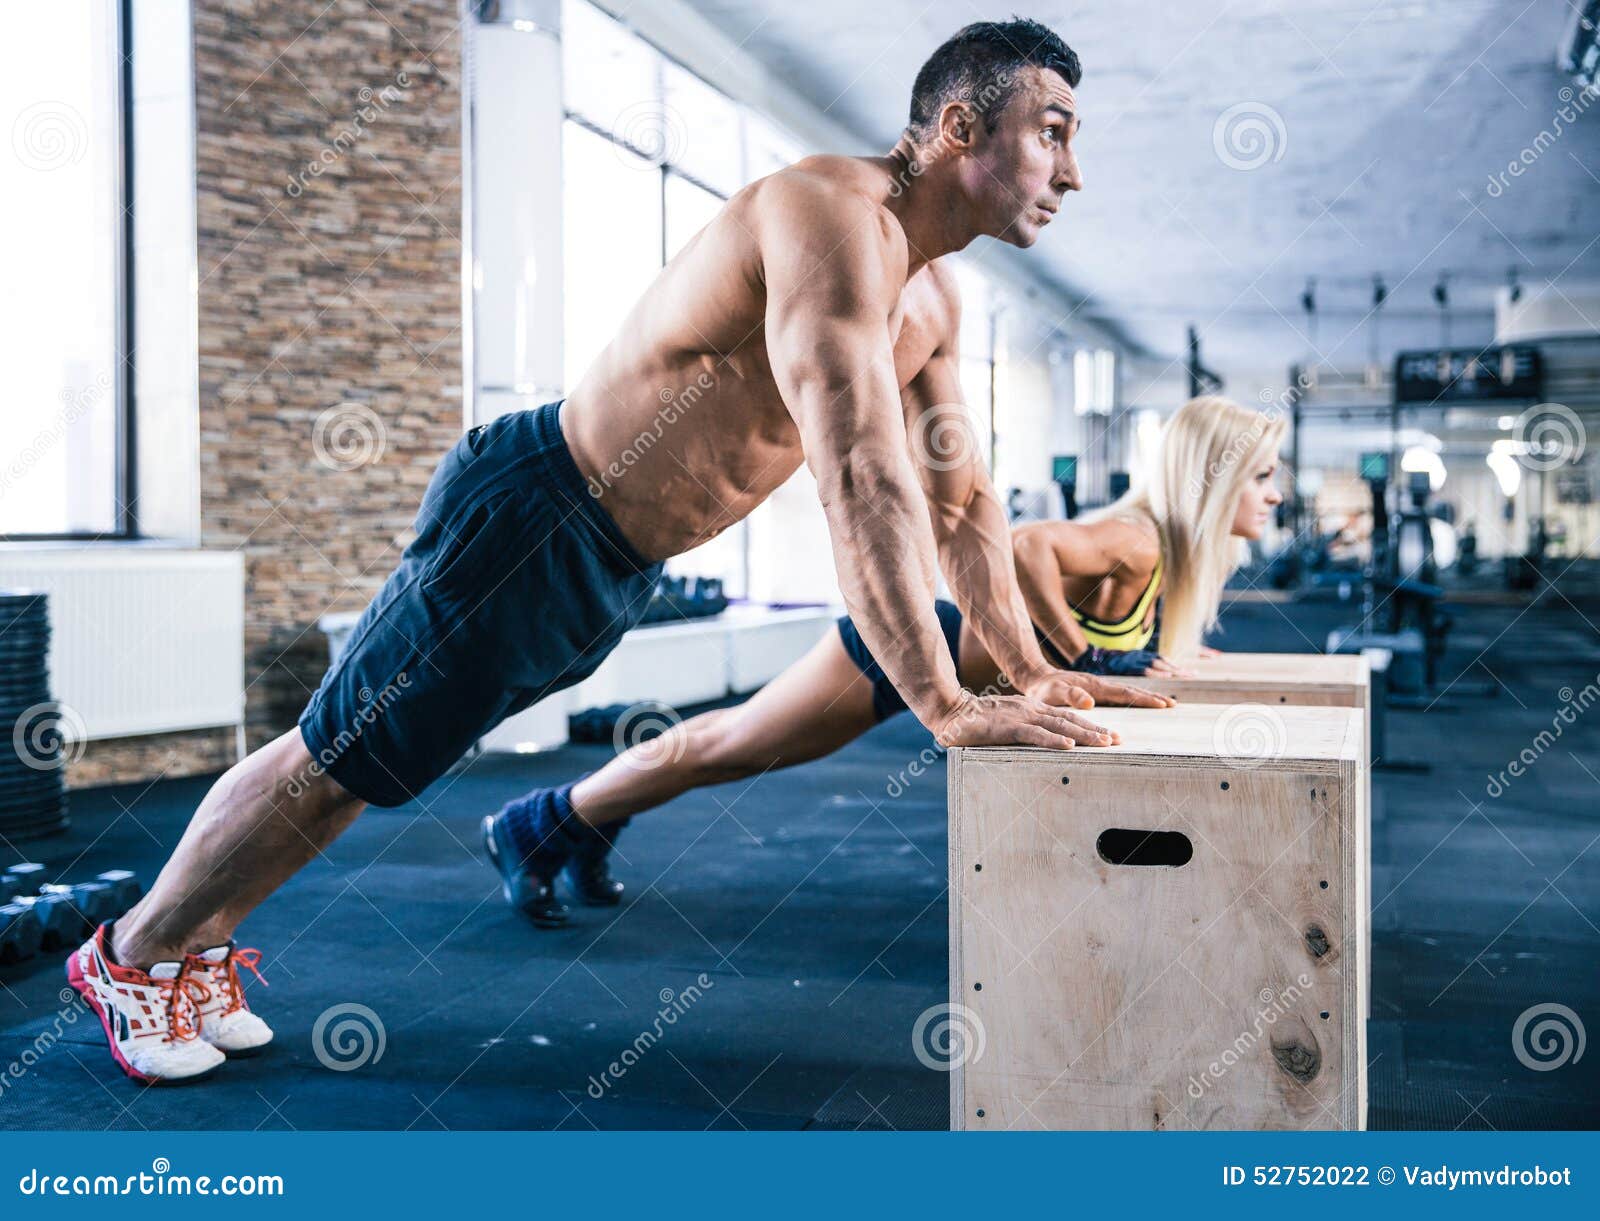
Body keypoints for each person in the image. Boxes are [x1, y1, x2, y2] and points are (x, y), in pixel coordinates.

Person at [70, 17, 1176, 1084]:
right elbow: (861, 474)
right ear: (958, 126)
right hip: (540, 514)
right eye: (1054, 130)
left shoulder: (934, 293)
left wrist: (1027, 667)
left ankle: (194, 945)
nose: (1069, 170)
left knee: (375, 765)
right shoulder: (829, 214)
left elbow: (963, 496)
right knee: (335, 755)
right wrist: (940, 700)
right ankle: (129, 956)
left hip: (610, 563)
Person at [487, 395, 1285, 924]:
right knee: (729, 745)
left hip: (944, 669)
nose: (1275, 493)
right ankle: (535, 822)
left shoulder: (1164, 558)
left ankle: (591, 818)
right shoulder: (1139, 538)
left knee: (730, 755)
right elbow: (1031, 545)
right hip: (902, 648)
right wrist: (1071, 657)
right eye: (1262, 476)